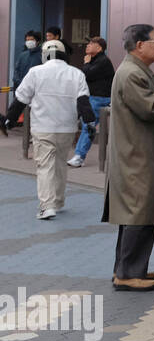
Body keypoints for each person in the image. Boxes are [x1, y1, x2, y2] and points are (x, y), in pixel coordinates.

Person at [102, 25, 154, 291]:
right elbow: (151, 108)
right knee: (137, 215)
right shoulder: (132, 74)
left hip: (137, 156)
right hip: (137, 158)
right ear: (139, 45)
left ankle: (130, 269)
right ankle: (127, 273)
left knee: (138, 215)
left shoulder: (133, 70)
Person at [4, 40, 96, 218]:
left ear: (45, 54)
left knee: (45, 166)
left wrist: (10, 119)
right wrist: (90, 123)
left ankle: (47, 206)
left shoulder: (36, 72)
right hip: (67, 128)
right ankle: (59, 201)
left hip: (43, 127)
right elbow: (84, 102)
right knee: (60, 165)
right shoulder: (76, 73)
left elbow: (20, 100)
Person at [69, 37, 115, 168]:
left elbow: (85, 75)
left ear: (99, 48)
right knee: (81, 123)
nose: (88, 45)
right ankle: (77, 153)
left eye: (91, 43)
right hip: (90, 98)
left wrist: (86, 63)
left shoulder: (103, 61)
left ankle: (79, 156)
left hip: (99, 99)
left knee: (88, 126)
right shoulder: (94, 60)